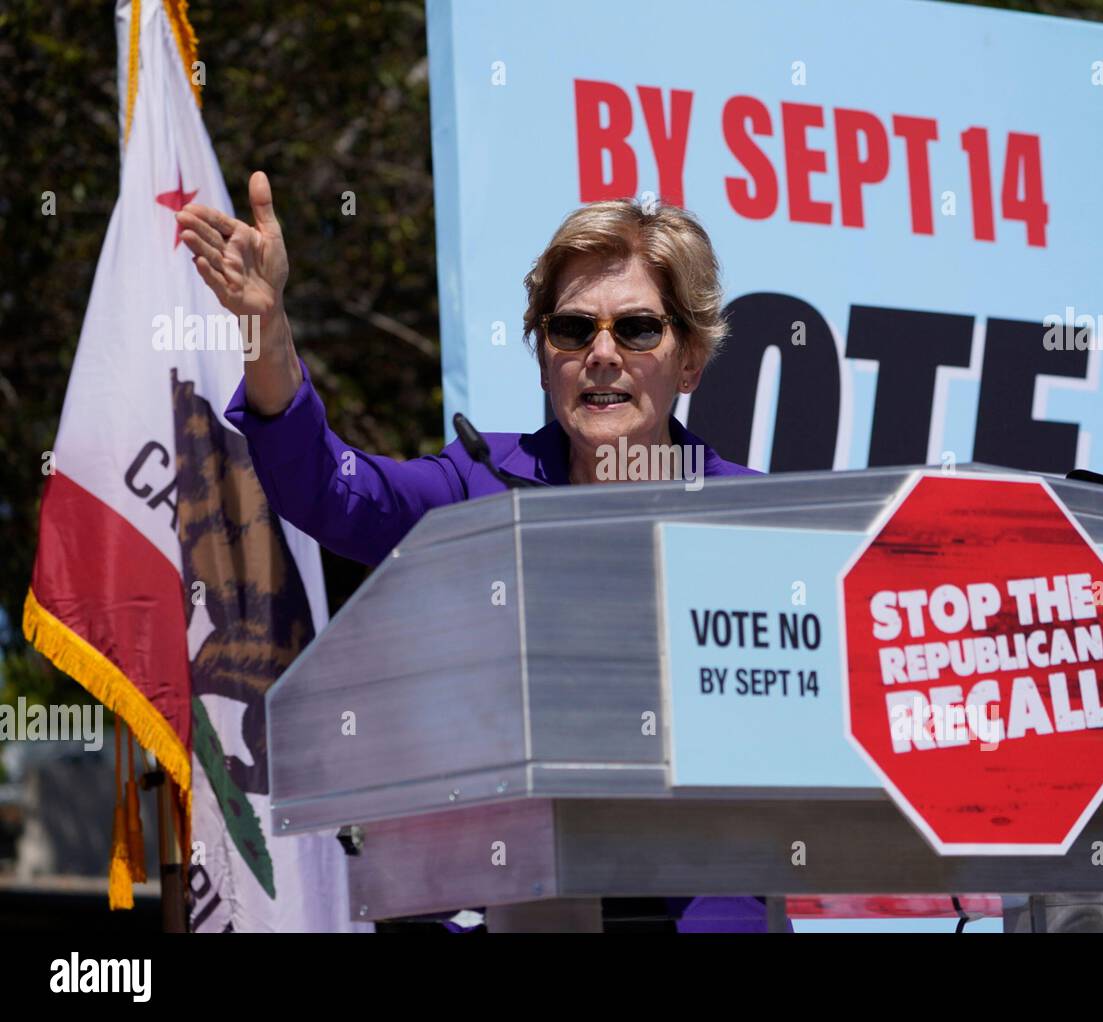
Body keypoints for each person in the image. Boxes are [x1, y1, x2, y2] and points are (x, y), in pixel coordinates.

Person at [175, 173, 771, 932]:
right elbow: (323, 486)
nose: (601, 354)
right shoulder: (476, 483)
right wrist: (267, 329)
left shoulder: (752, 515)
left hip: (702, 905)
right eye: (572, 329)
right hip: (509, 901)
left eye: (638, 329)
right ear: (544, 353)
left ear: (689, 361)